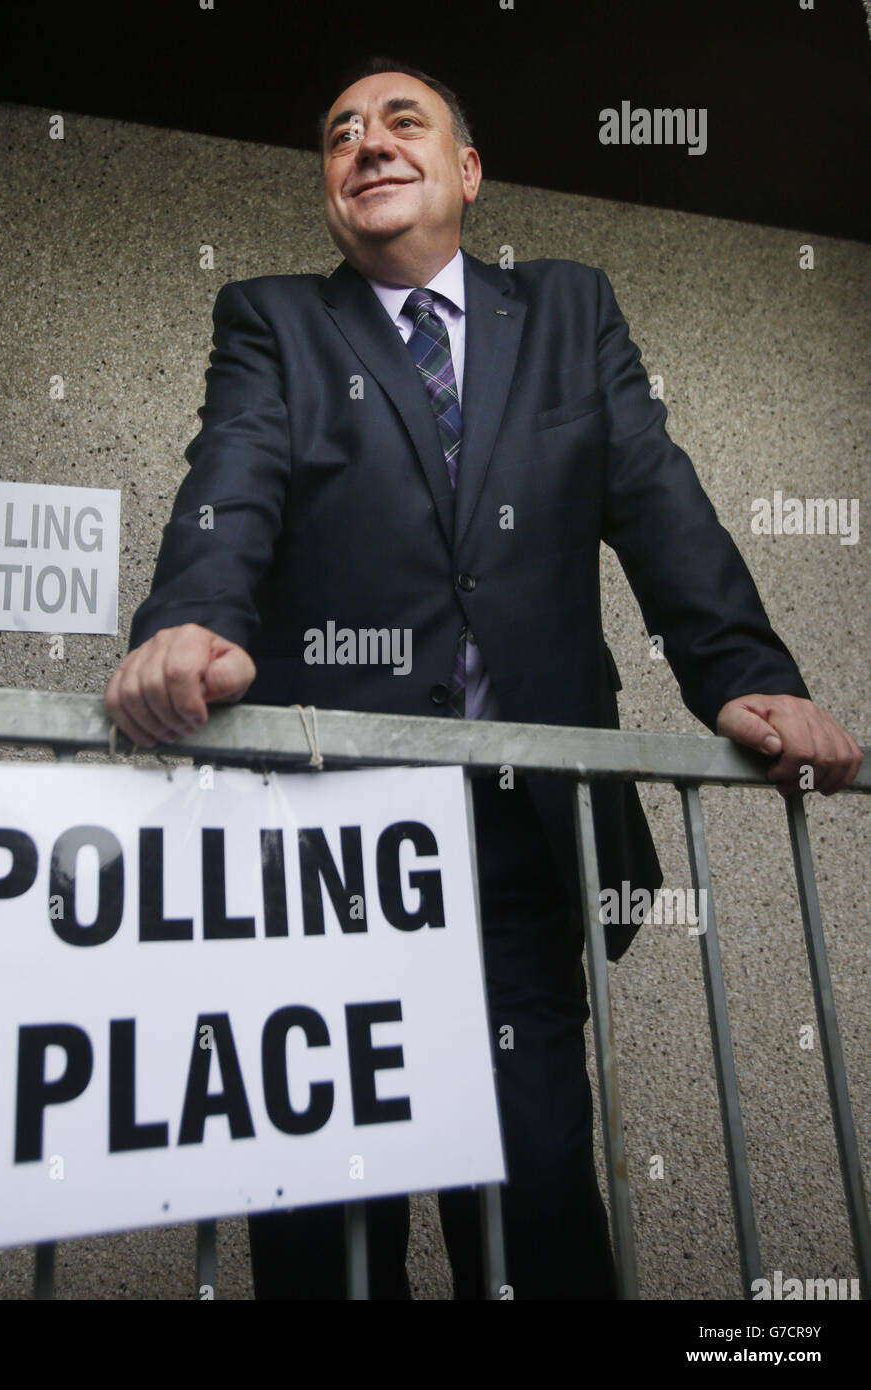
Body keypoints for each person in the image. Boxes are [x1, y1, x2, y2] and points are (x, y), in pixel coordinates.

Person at [105, 58, 862, 1299]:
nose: (367, 142)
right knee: (324, 1217)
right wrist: (192, 622)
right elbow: (229, 478)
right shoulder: (274, 321)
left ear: (465, 170)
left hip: (517, 849)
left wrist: (744, 674)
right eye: (340, 132)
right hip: (323, 858)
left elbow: (661, 504)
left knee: (535, 1192)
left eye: (403, 121)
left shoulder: (569, 312)